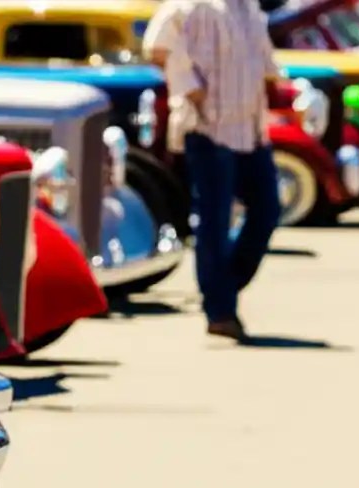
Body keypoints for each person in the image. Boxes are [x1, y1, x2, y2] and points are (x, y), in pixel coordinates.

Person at [143, 0, 282, 340]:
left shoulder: (248, 8)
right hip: (208, 127)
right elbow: (156, 47)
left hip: (250, 127)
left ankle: (222, 285)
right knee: (214, 218)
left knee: (267, 209)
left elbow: (264, 60)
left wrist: (271, 83)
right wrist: (191, 88)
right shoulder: (190, 6)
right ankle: (220, 309)